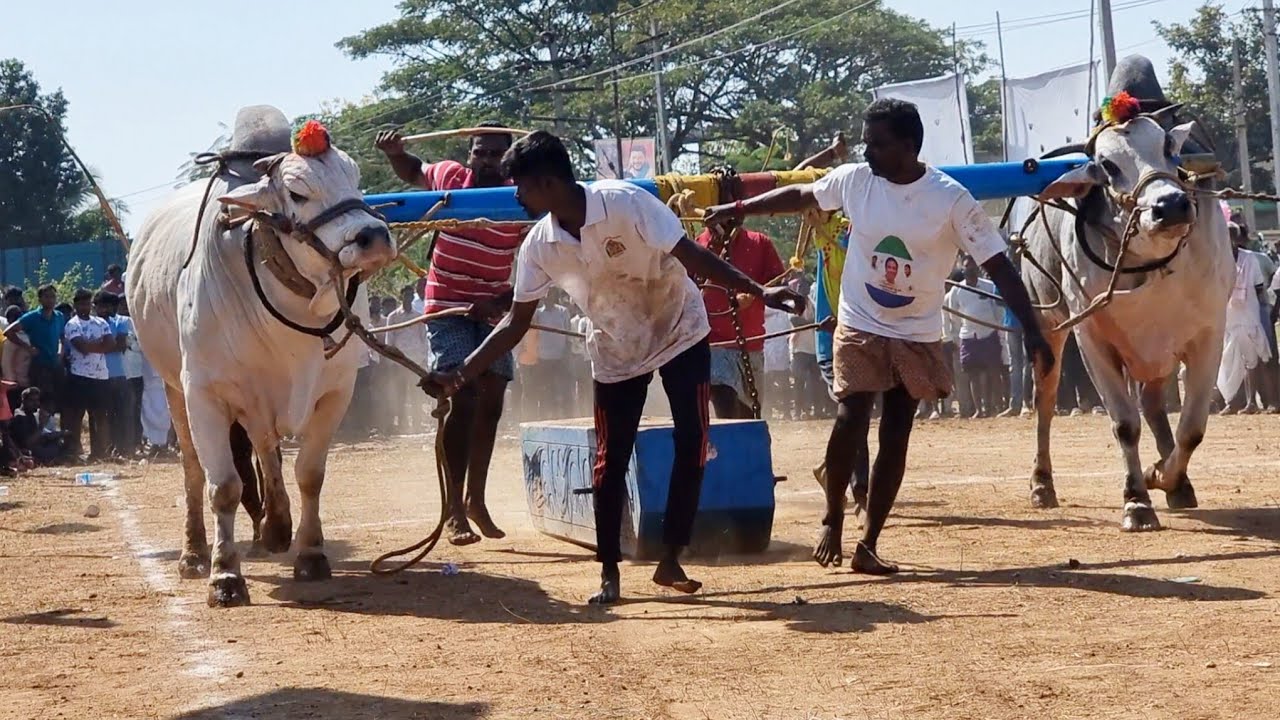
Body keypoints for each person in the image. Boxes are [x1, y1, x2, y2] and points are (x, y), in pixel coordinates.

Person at [426, 131, 804, 604]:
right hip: (615, 348)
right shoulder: (539, 246)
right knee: (610, 458)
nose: (516, 196)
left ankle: (670, 559)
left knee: (694, 440)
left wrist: (760, 290)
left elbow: (693, 256)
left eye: (520, 187)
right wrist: (459, 372)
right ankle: (609, 571)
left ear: (546, 183)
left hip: (678, 328)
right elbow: (514, 323)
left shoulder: (626, 203)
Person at [705, 98, 1053, 574]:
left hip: (917, 331)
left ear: (908, 147)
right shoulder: (855, 180)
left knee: (896, 433)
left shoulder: (951, 200)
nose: (867, 152)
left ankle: (868, 543)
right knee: (851, 414)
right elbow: (803, 195)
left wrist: (1033, 331)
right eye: (866, 143)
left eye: (878, 144)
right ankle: (832, 518)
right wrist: (737, 204)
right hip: (861, 323)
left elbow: (1000, 266)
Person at [376, 123, 525, 544]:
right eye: (481, 152)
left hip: (493, 310)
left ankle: (477, 499)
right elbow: (413, 171)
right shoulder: (450, 177)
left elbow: (540, 262)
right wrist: (394, 153)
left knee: (493, 398)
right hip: (447, 306)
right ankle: (454, 510)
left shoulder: (521, 195)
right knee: (464, 396)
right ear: (470, 153)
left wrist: (500, 303)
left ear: (508, 158)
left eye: (496, 154)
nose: (488, 161)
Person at [694, 173, 788, 420]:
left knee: (748, 415)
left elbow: (778, 280)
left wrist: (754, 294)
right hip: (714, 344)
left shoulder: (760, 243)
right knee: (725, 402)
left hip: (751, 343)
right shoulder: (698, 245)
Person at [944, 256, 1006, 418]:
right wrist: (957, 335)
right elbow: (953, 315)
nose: (970, 272)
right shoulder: (956, 291)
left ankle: (996, 407)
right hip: (969, 336)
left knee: (994, 372)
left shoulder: (989, 286)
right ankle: (979, 409)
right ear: (963, 271)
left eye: (973, 269)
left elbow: (998, 309)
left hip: (989, 333)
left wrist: (997, 329)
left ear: (978, 270)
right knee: (973, 375)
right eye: (967, 269)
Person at [1219, 222, 1270, 413]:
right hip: (1227, 318)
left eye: (1233, 236)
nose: (1230, 240)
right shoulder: (1218, 258)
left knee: (1250, 361)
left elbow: (1258, 287)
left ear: (1239, 239)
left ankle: (1252, 403)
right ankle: (1232, 401)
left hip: (1248, 316)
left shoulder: (1250, 259)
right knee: (1229, 360)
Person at [62, 288, 115, 461]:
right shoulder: (72, 324)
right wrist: (98, 345)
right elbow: (81, 347)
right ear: (75, 305)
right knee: (77, 415)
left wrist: (93, 345)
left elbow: (111, 344)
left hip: (101, 375)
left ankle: (100, 452)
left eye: (87, 303)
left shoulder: (100, 322)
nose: (84, 307)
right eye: (81, 303)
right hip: (80, 375)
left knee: (100, 415)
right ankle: (75, 452)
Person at [4, 286, 66, 415]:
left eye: (53, 296)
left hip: (55, 364)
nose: (50, 300)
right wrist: (27, 347)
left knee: (57, 401)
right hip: (39, 366)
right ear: (40, 299)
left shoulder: (59, 316)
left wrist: (61, 352)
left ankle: (50, 430)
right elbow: (8, 331)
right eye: (47, 296)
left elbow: (63, 337)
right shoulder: (32, 317)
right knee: (39, 401)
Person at [383, 284, 431, 435]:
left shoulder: (418, 317)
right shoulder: (393, 317)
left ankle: (416, 425)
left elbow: (424, 339)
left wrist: (423, 359)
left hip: (416, 360)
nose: (408, 298)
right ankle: (402, 425)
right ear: (402, 296)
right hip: (400, 361)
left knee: (416, 394)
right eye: (406, 295)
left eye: (411, 295)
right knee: (401, 395)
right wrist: (390, 360)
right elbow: (389, 338)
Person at [95, 291, 133, 456]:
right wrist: (105, 346)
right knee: (102, 415)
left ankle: (124, 448)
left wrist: (95, 347)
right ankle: (104, 449)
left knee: (122, 414)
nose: (104, 309)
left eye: (108, 306)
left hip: (118, 374)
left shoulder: (119, 322)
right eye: (101, 306)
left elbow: (121, 345)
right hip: (97, 376)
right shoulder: (91, 324)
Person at [790, 279, 822, 419]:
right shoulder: (794, 304)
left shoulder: (814, 305)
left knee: (816, 383)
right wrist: (813, 323)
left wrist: (814, 323)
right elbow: (795, 321)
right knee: (799, 383)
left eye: (804, 287)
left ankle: (817, 410)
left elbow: (818, 320)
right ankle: (798, 411)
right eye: (800, 287)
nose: (802, 289)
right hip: (799, 349)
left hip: (813, 349)